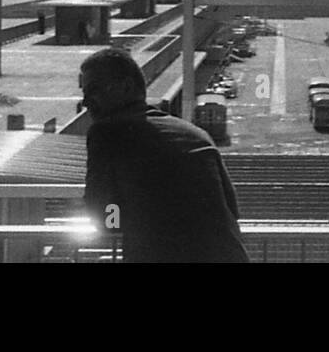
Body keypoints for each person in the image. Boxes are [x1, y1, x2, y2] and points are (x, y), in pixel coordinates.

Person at [80, 47, 249, 263]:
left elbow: (103, 214)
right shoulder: (196, 134)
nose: (86, 102)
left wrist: (128, 220)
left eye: (94, 90)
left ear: (126, 87)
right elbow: (231, 208)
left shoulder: (106, 132)